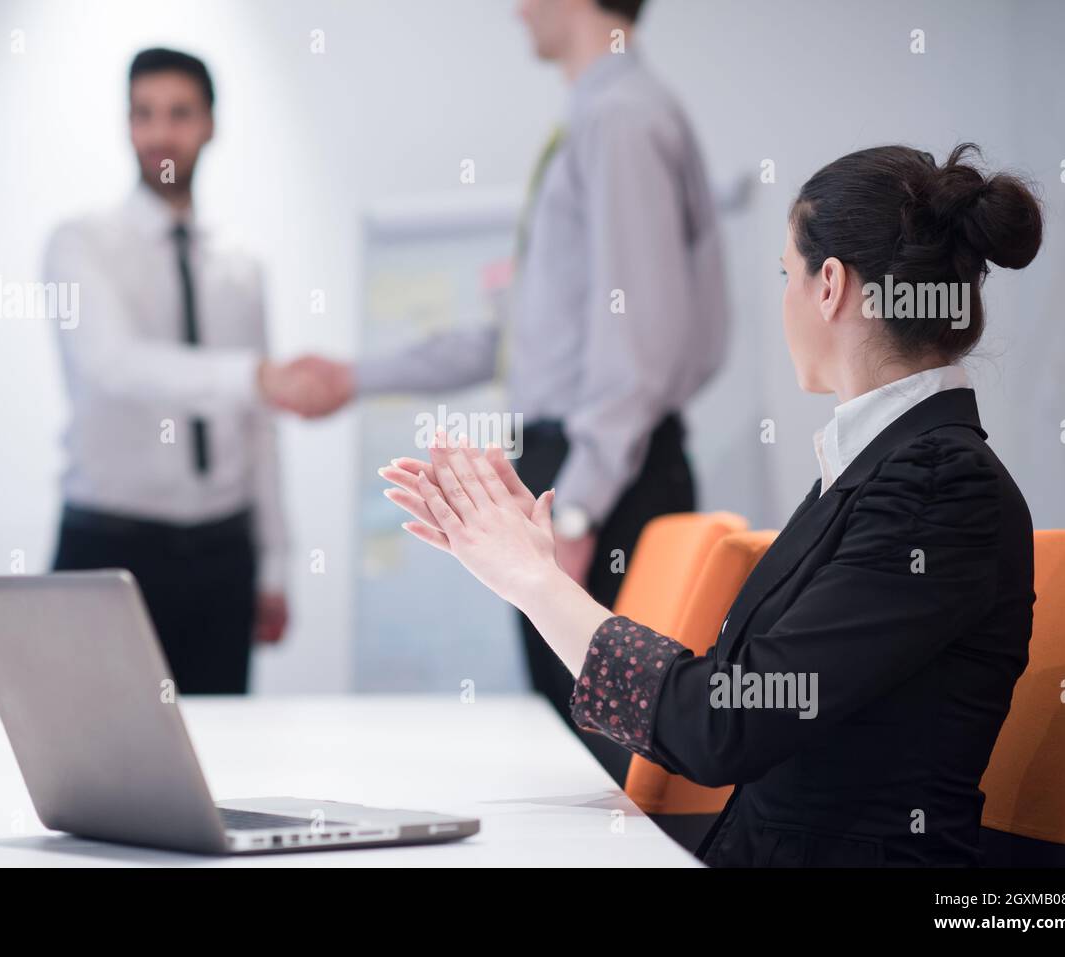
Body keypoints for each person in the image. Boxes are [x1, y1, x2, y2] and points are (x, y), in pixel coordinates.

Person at [380, 143, 1043, 866]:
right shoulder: (886, 467)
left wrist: (538, 586)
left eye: (786, 275)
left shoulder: (938, 488)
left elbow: (728, 722)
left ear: (830, 286)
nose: (785, 297)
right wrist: (539, 576)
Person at [276, 0, 729, 785]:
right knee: (587, 745)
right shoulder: (601, 115)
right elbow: (518, 333)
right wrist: (356, 377)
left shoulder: (619, 118)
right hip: (592, 465)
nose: (515, 8)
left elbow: (641, 340)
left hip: (604, 477)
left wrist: (581, 505)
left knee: (614, 761)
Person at [44, 48, 327, 693]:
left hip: (222, 557)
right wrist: (256, 377)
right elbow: (112, 365)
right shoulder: (80, 243)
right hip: (107, 551)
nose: (160, 133)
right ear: (126, 124)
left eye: (178, 114)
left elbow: (259, 427)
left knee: (218, 767)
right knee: (92, 762)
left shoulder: (240, 264)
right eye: (143, 114)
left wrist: (276, 564)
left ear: (210, 126)